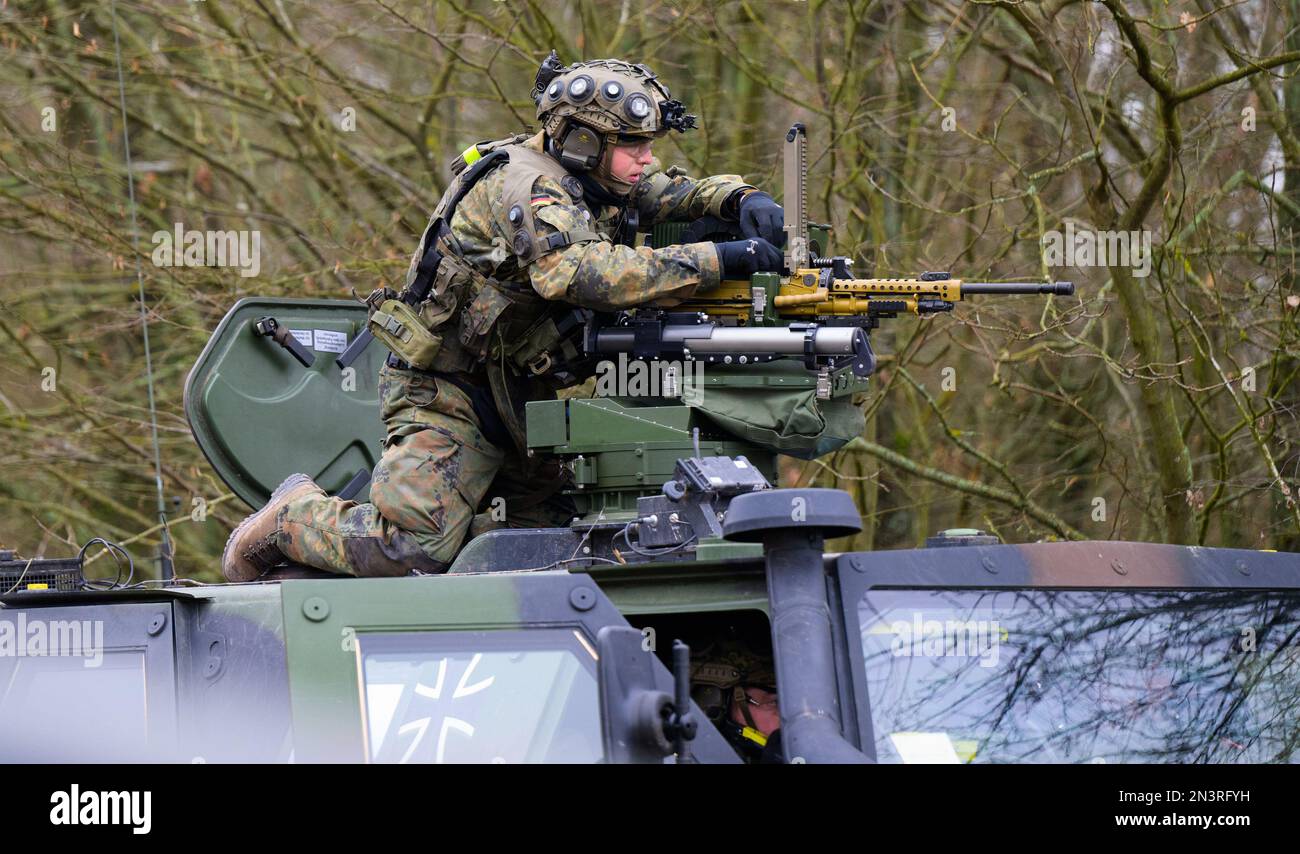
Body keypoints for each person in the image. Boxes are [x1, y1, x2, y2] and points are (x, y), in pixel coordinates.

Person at [222, 52, 786, 581]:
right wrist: (716, 259)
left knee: (558, 541)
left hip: (517, 395)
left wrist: (739, 198)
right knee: (412, 547)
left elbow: (667, 192)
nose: (647, 158)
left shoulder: (598, 177)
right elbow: (576, 273)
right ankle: (291, 517)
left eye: (649, 144)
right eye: (633, 144)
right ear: (584, 141)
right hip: (446, 392)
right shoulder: (529, 186)